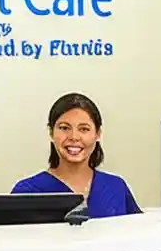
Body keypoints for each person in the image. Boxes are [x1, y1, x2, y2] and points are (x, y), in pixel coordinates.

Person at [12, 93, 142, 218]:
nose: (74, 137)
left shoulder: (115, 187)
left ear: (98, 134)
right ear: (51, 132)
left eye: (84, 129)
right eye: (64, 128)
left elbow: (140, 235)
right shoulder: (27, 192)